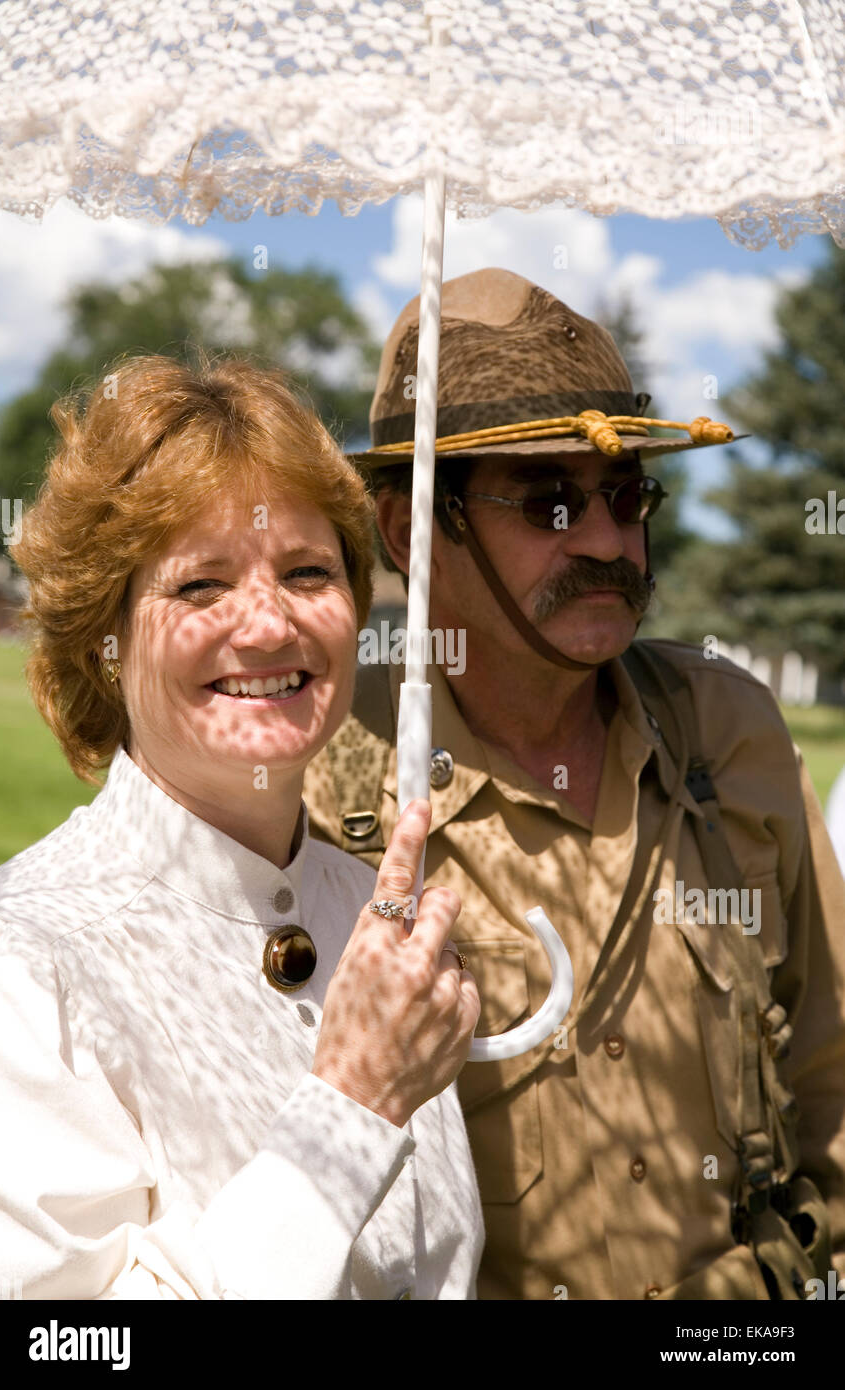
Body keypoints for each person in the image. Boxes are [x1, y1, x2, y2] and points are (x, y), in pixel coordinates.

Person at [303, 267, 845, 1300]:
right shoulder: (321, 774)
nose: (607, 542)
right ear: (409, 531)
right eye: (549, 501)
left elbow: (828, 1084)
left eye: (625, 495)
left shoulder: (729, 732)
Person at [0, 353, 483, 1300]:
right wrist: (352, 1104)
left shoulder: (368, 915)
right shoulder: (15, 966)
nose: (266, 625)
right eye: (201, 586)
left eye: (307, 571)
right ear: (107, 634)